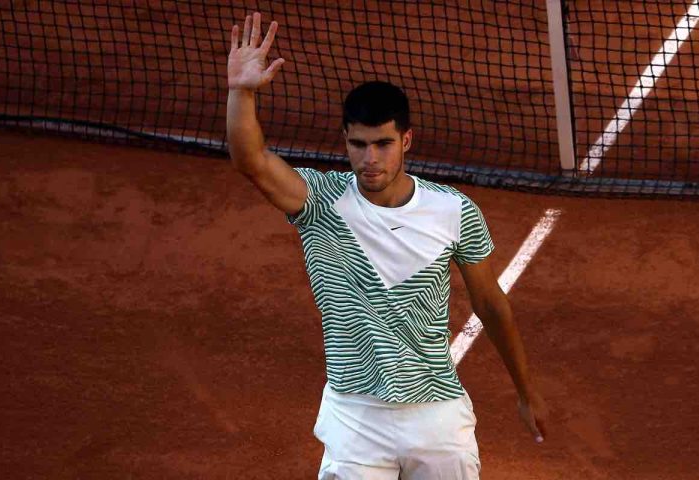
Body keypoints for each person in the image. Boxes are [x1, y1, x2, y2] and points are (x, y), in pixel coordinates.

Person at [226, 12, 548, 480]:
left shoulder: (454, 211)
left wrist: (525, 390)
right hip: (355, 416)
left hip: (436, 412)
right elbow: (249, 160)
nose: (370, 159)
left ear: (406, 140)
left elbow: (491, 304)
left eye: (383, 144)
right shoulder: (320, 201)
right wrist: (242, 90)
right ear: (346, 140)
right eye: (358, 144)